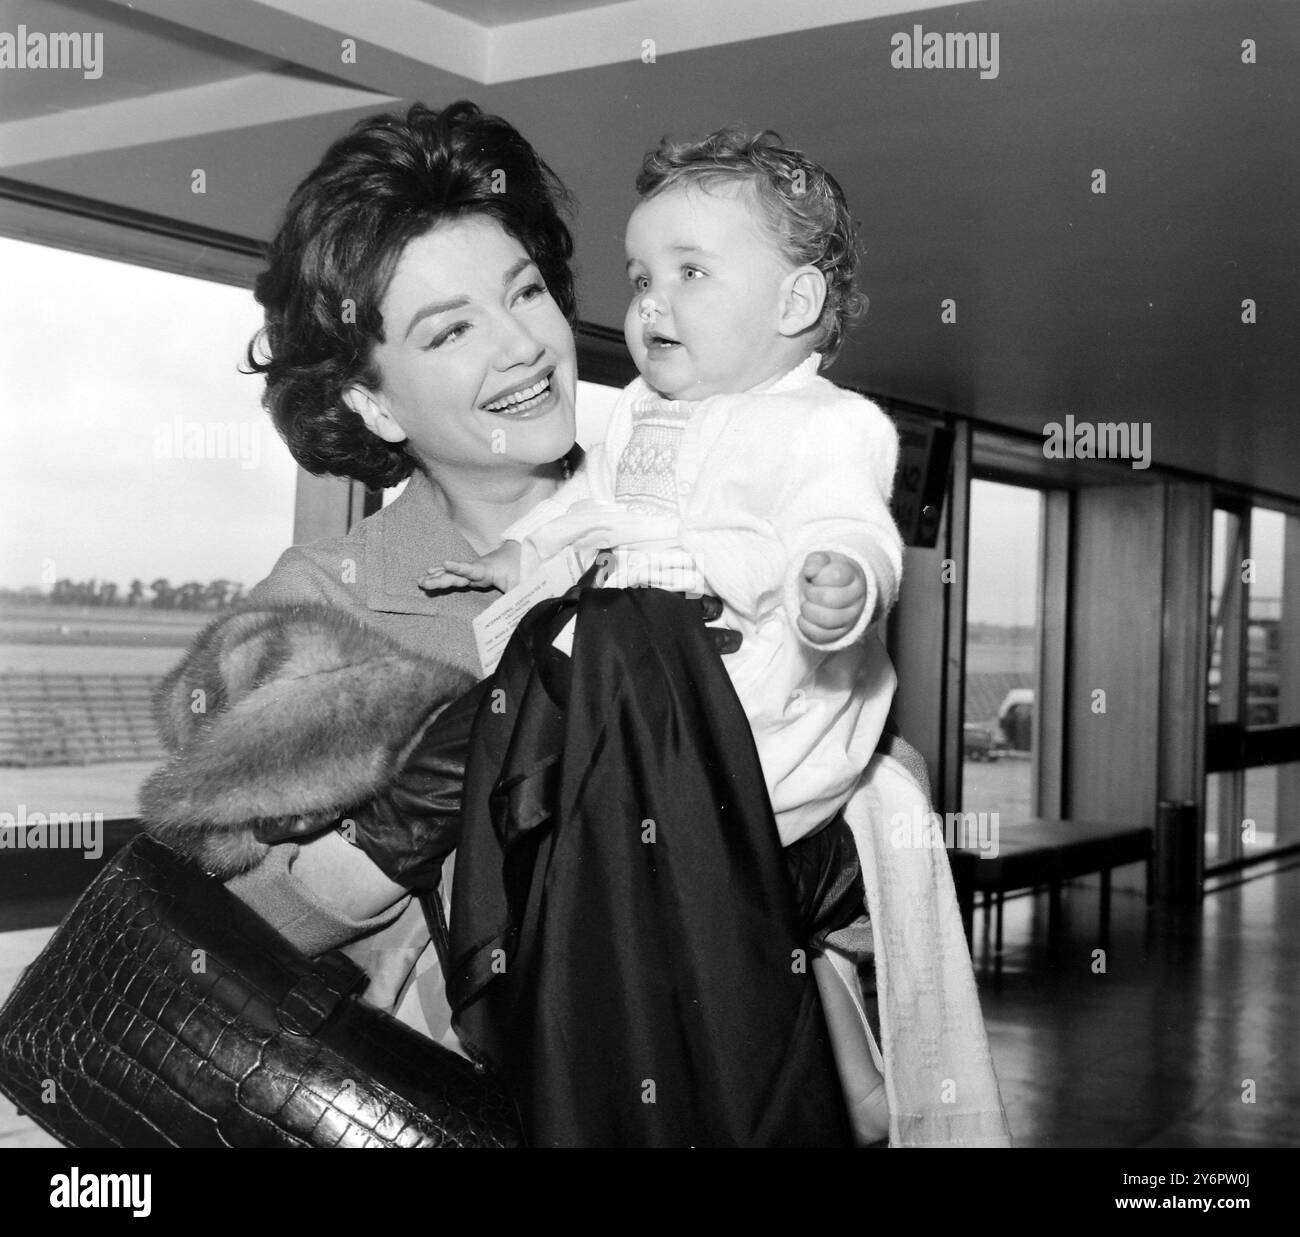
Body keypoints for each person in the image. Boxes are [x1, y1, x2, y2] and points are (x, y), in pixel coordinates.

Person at [138, 99, 1010, 1148]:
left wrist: (814, 857)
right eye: (450, 329)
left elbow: (857, 808)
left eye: (525, 293)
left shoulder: (701, 510)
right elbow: (231, 931)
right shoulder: (324, 603)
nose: (521, 347)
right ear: (375, 403)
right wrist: (416, 815)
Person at [428, 127, 902, 856]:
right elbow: (590, 501)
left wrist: (847, 581)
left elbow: (851, 523)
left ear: (794, 301)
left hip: (765, 680)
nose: (651, 302)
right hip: (640, 670)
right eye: (641, 279)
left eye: (691, 274)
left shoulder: (826, 423)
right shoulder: (640, 408)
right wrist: (525, 552)